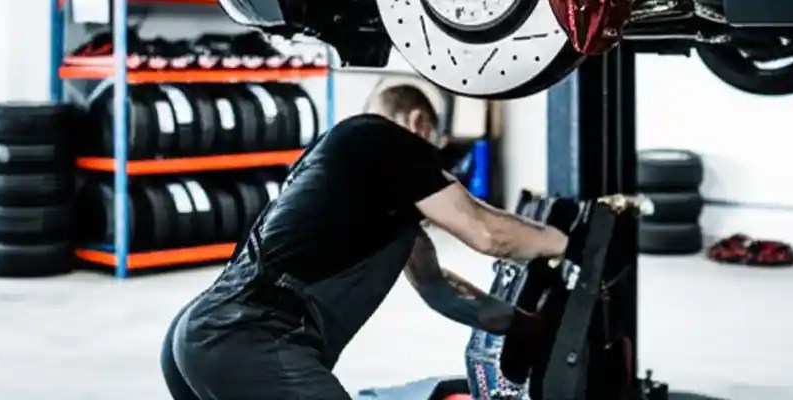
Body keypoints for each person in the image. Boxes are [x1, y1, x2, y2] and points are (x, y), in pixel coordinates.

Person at [161, 84, 569, 400]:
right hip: (250, 338)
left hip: (199, 333)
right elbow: (488, 233)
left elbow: (441, 292)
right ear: (420, 125)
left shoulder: (354, 185)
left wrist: (526, 325)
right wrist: (569, 243)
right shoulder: (387, 142)